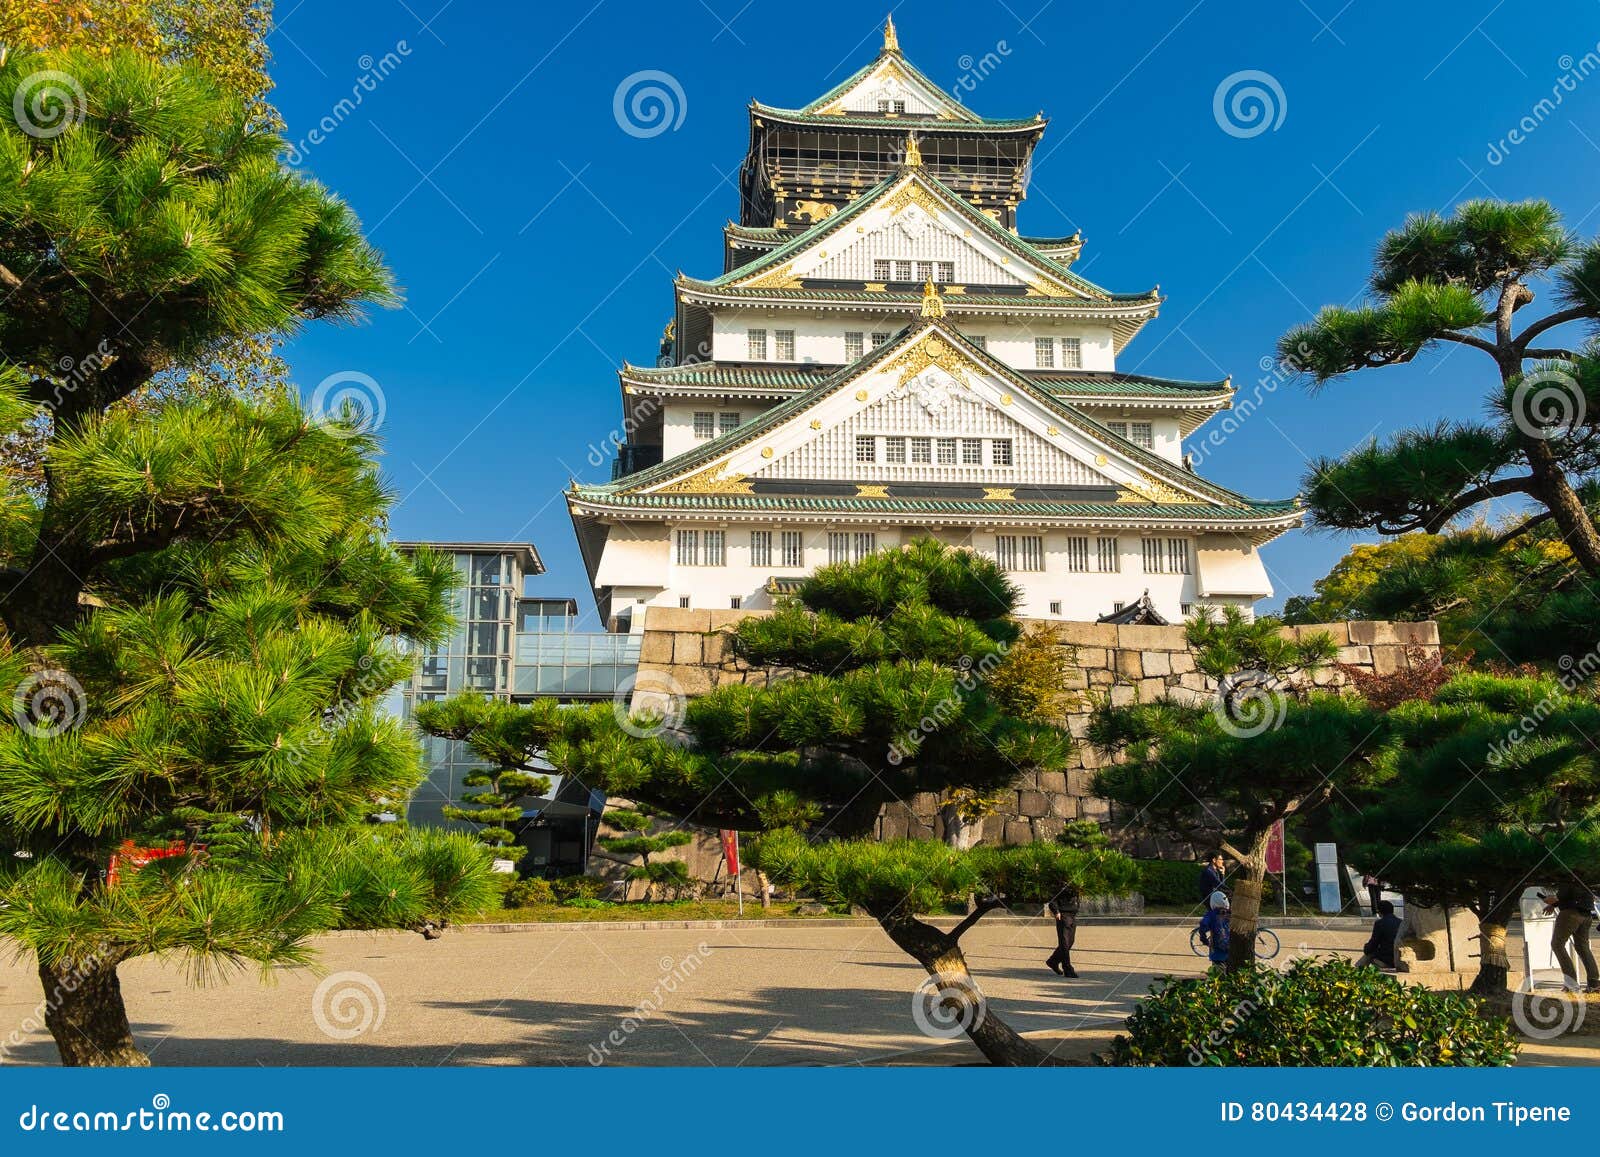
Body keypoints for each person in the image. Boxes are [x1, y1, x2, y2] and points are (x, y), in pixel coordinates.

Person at [1539, 881, 1599, 991]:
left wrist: (1552, 900)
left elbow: (1561, 896)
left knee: (1557, 945)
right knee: (1582, 946)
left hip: (1570, 914)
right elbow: (1574, 896)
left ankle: (1571, 982)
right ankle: (1594, 982)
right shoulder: (1584, 876)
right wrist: (1554, 904)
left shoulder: (1568, 877)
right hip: (1586, 914)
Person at [1355, 899, 1402, 968]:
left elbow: (1374, 942)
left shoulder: (1380, 923)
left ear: (1380, 912)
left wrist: (1366, 948)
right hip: (1399, 956)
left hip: (1386, 958)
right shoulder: (1400, 922)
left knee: (1369, 954)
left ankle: (1357, 971)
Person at [1044, 886, 1079, 978]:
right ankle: (1067, 969)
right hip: (1063, 915)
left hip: (1072, 915)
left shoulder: (1076, 885)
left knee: (1070, 942)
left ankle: (1053, 961)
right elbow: (1052, 900)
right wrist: (1056, 911)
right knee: (1064, 943)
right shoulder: (1059, 884)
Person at [1197, 890, 1230, 969]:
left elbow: (1203, 924)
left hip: (1217, 951)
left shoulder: (1211, 914)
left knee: (1217, 975)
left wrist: (1203, 938)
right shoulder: (1231, 913)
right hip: (1232, 950)